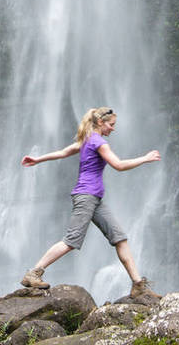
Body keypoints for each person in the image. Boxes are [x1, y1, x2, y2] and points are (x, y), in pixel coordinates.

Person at [19, 106, 161, 298]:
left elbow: (62, 152)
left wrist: (37, 159)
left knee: (119, 238)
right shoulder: (98, 142)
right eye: (111, 125)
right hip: (86, 197)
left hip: (94, 199)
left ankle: (138, 285)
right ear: (101, 123)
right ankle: (34, 273)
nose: (113, 129)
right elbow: (118, 165)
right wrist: (145, 158)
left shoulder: (86, 140)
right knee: (71, 240)